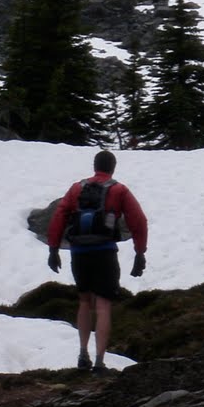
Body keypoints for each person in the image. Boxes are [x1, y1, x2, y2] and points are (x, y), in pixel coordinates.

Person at [46, 149, 149, 372]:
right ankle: (100, 361)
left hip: (79, 252)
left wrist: (53, 249)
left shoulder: (76, 188)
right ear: (112, 168)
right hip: (104, 252)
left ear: (95, 166)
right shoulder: (119, 190)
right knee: (103, 306)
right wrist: (140, 252)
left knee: (84, 301)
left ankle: (83, 354)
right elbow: (138, 221)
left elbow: (59, 216)